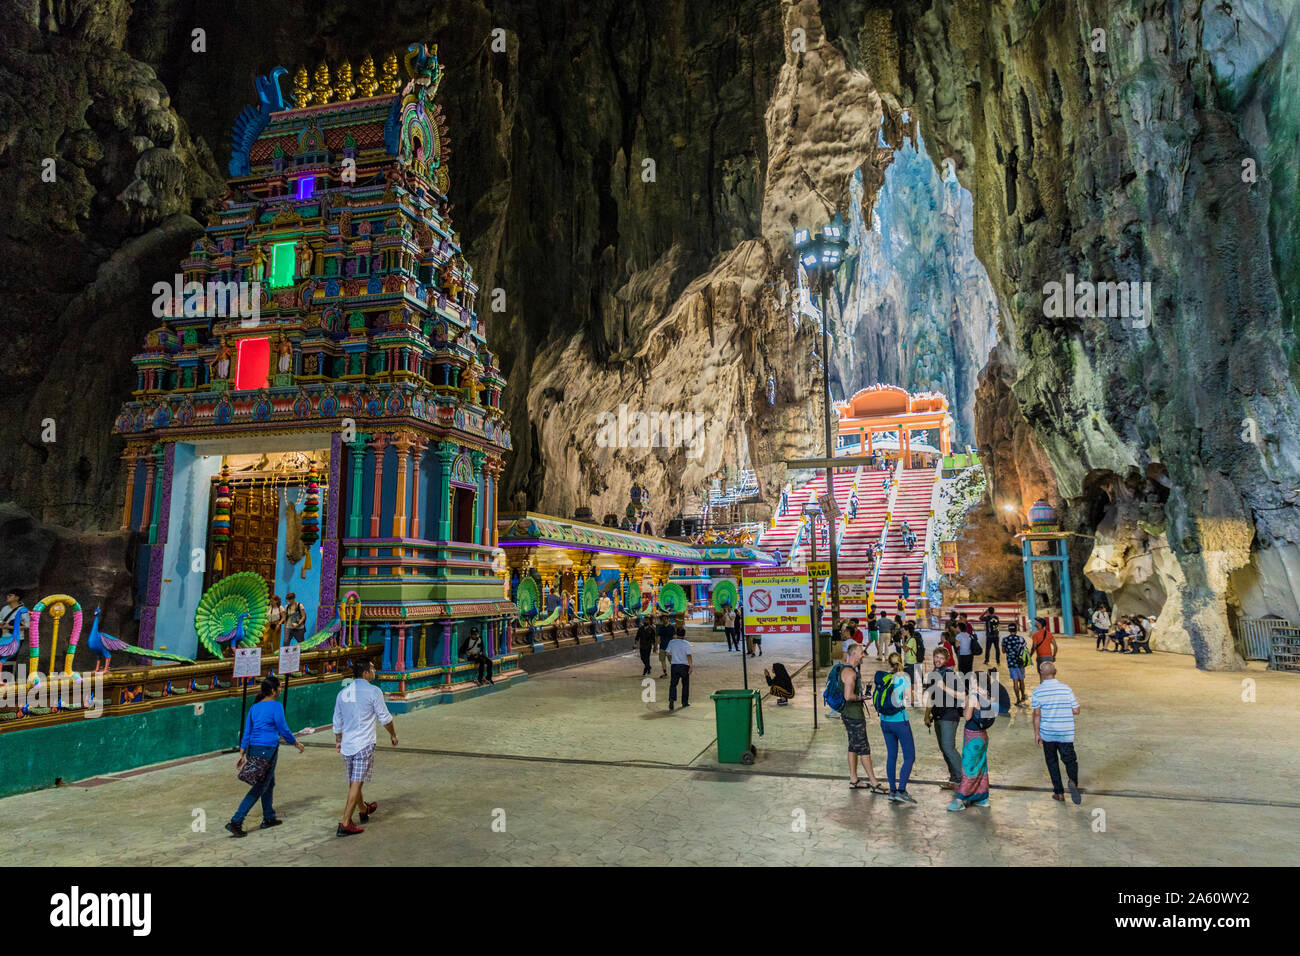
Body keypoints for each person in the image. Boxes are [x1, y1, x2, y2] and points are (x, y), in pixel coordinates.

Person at [227, 676, 304, 837]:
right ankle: (236, 820)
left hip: (253, 749)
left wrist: (242, 752)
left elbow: (247, 731)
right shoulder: (276, 707)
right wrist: (295, 743)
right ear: (273, 690)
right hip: (267, 750)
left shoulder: (254, 708)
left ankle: (268, 817)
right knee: (260, 786)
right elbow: (283, 729)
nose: (281, 689)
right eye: (280, 687)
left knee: (269, 782)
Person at [333, 659, 398, 837]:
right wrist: (393, 734)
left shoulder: (343, 693)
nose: (374, 670)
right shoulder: (373, 691)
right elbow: (385, 717)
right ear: (365, 673)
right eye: (372, 668)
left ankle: (363, 809)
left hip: (347, 744)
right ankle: (345, 822)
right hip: (364, 743)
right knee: (356, 782)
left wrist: (338, 739)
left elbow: (337, 721)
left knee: (354, 780)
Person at [837, 642, 886, 793]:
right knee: (864, 748)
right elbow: (848, 696)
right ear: (853, 655)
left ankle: (854, 779)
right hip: (854, 716)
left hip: (847, 714)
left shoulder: (844, 669)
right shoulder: (850, 673)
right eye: (861, 653)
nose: (863, 655)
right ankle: (874, 782)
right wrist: (861, 697)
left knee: (853, 745)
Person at [1032, 661, 1082, 804]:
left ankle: (1059, 793)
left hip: (1048, 733)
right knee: (1070, 760)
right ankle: (1073, 781)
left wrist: (1037, 733)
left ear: (1041, 674)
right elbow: (1076, 710)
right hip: (1065, 733)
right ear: (1056, 672)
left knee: (1052, 761)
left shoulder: (1037, 691)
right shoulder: (1066, 689)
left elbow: (1037, 715)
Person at [947, 674, 993, 811]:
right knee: (981, 767)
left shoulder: (973, 697)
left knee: (968, 768)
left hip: (972, 738)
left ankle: (960, 799)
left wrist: (967, 703)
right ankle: (983, 797)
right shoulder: (988, 695)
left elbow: (967, 716)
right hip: (983, 736)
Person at [877, 652, 916, 804]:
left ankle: (892, 790)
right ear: (902, 661)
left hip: (885, 722)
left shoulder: (885, 677)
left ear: (888, 663)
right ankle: (901, 790)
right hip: (900, 721)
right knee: (909, 756)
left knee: (891, 755)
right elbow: (911, 700)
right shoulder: (904, 677)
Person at [924, 649, 963, 790]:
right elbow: (930, 696)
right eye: (936, 657)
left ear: (946, 660)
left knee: (948, 747)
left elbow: (961, 694)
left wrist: (945, 687)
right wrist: (926, 715)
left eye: (941, 658)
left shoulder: (950, 674)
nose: (938, 660)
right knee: (944, 749)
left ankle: (963, 779)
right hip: (937, 716)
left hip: (949, 715)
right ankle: (954, 779)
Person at [0, 589, 29, 675]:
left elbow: (27, 626)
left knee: (9, 659)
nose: (7, 597)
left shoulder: (23, 610)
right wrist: (2, 624)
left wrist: (9, 626)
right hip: (4, 637)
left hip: (16, 639)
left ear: (17, 597)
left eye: (10, 595)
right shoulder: (5, 609)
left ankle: (7, 681)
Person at [1002, 622, 1029, 705]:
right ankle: (1023, 696)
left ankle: (1018, 700)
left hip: (1011, 663)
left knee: (1015, 682)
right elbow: (1025, 649)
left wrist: (1009, 651)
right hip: (1020, 662)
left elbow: (1003, 651)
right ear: (1016, 630)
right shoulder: (1021, 639)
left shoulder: (1005, 639)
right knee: (1021, 680)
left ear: (1009, 630)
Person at [666, 627, 693, 711]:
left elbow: (667, 653)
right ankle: (684, 702)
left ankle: (671, 699)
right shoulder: (686, 643)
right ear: (684, 635)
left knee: (673, 684)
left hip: (674, 665)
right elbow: (688, 655)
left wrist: (672, 660)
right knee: (685, 684)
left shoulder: (671, 642)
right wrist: (691, 665)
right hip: (684, 666)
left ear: (676, 634)